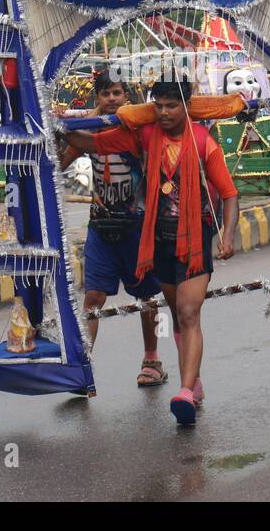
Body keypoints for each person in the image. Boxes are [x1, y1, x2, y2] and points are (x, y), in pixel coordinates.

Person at [65, 80, 239, 425]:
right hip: (156, 240)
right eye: (158, 106)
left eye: (172, 106)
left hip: (193, 240)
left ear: (186, 107)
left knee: (189, 313)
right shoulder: (143, 137)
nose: (164, 113)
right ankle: (195, 381)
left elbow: (229, 193)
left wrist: (227, 235)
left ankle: (185, 392)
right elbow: (94, 144)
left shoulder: (203, 141)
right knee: (173, 311)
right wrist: (60, 126)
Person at [58, 70, 167, 388]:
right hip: (100, 227)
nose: (111, 99)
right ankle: (83, 366)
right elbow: (60, 161)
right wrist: (58, 132)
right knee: (93, 298)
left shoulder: (137, 132)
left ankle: (152, 359)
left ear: (127, 98)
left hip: (136, 227)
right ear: (98, 98)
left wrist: (68, 128)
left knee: (148, 297)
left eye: (117, 93)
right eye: (105, 94)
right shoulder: (88, 132)